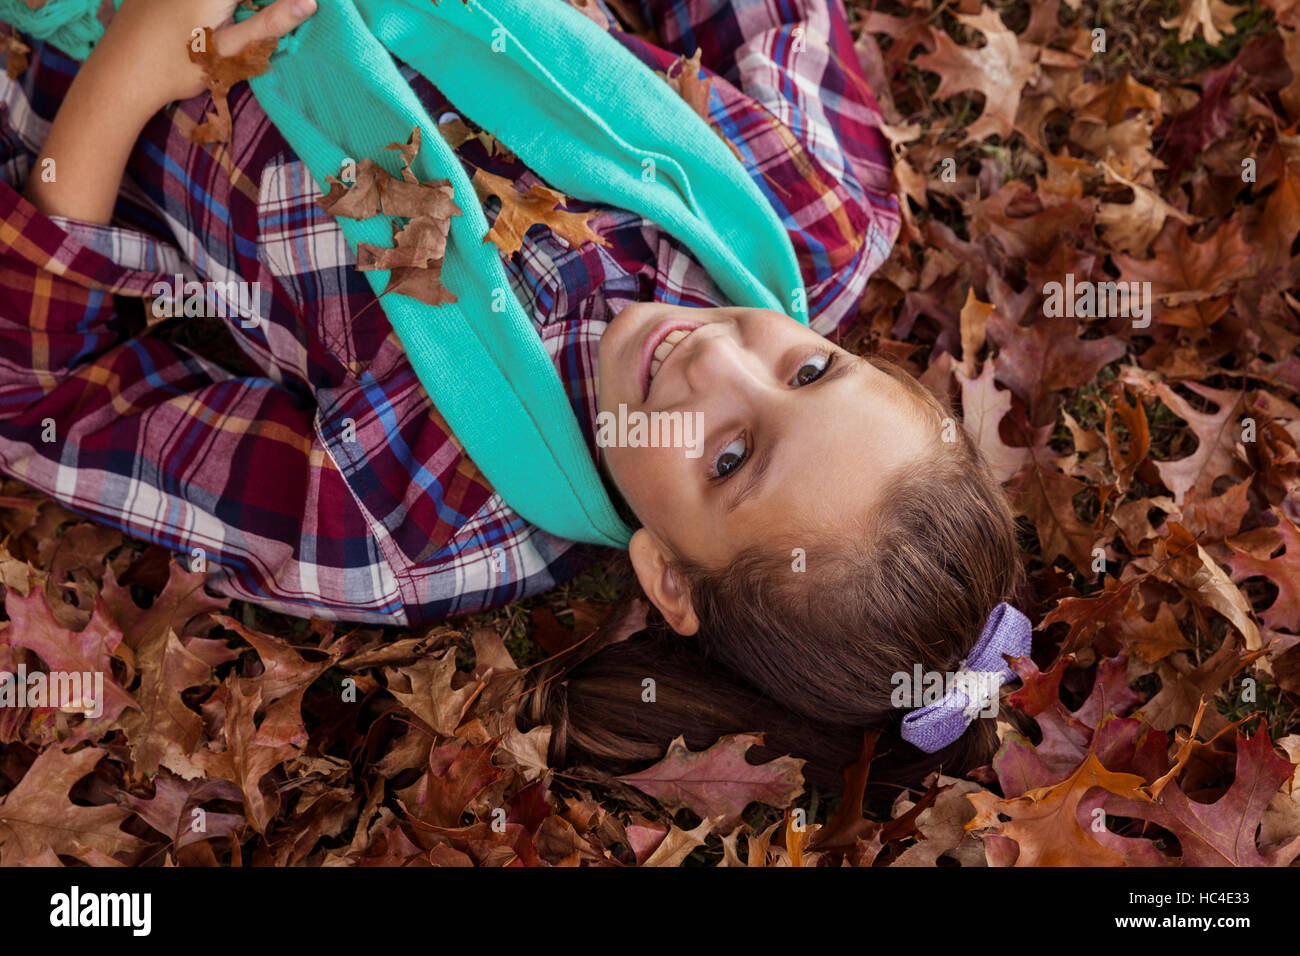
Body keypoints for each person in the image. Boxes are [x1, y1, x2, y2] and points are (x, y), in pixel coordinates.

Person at [0, 0, 1025, 789]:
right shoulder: (807, 208)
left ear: (669, 578)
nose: (717, 363)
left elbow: (48, 391)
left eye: (728, 457)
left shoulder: (411, 515)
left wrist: (129, 77)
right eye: (811, 370)